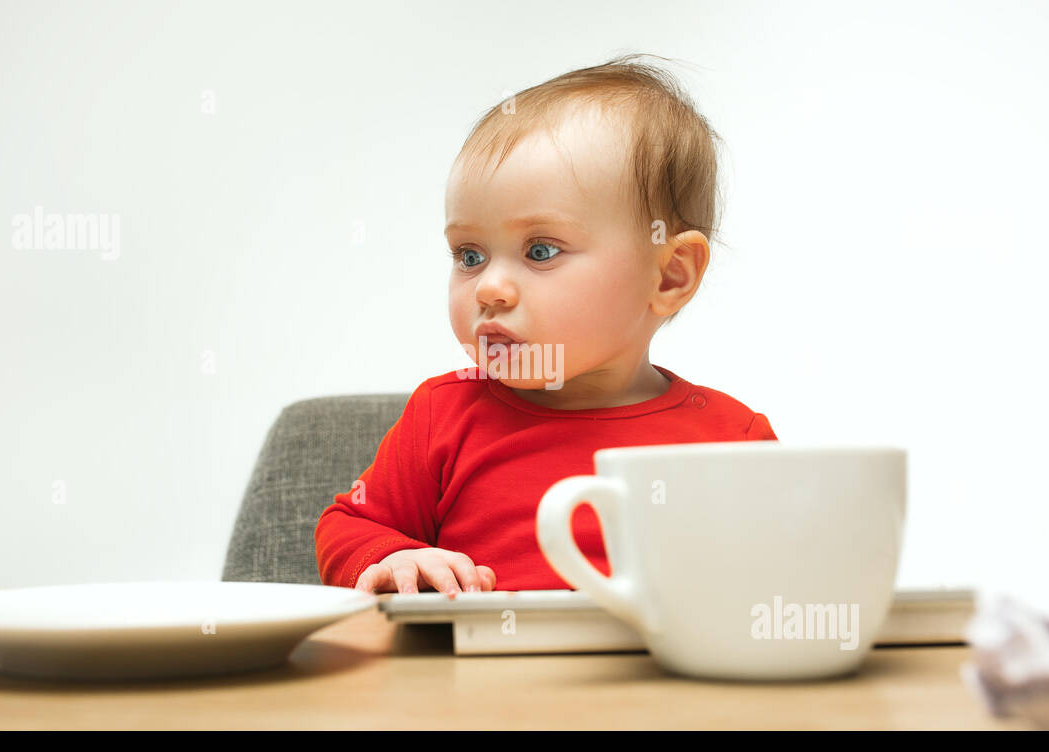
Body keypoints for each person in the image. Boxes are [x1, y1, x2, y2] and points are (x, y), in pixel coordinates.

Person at [315, 53, 778, 597]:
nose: (489, 288)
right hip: (474, 680)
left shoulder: (730, 439)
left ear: (670, 274)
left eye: (540, 250)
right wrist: (394, 558)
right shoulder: (442, 417)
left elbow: (788, 574)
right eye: (469, 256)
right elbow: (350, 525)